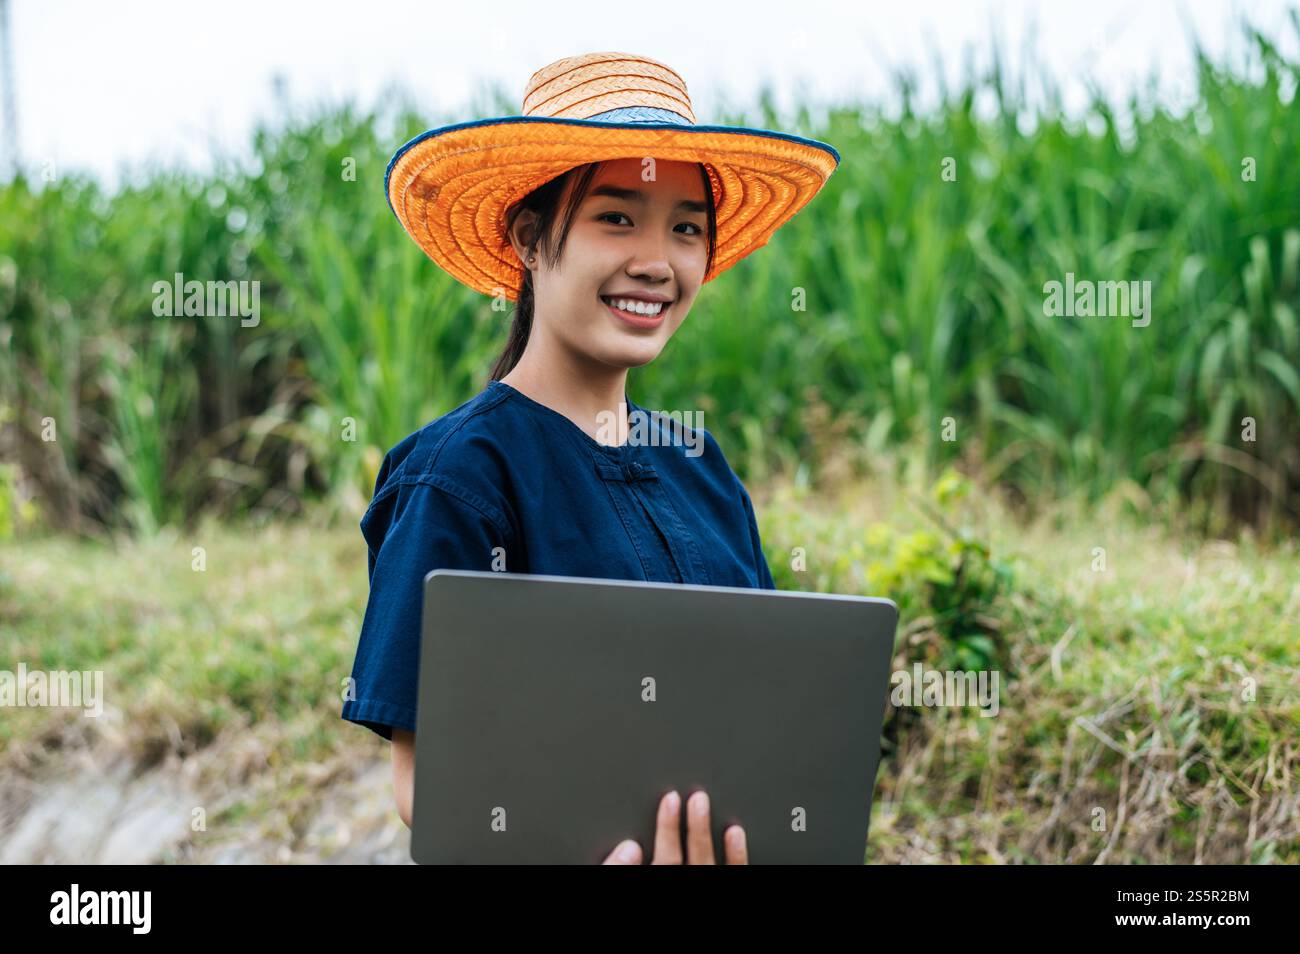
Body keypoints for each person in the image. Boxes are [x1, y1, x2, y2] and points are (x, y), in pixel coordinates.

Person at [342, 51, 840, 865]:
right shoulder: (459, 476)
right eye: (617, 217)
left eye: (686, 228)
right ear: (529, 239)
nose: (657, 260)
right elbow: (425, 783)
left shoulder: (700, 467)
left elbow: (763, 725)